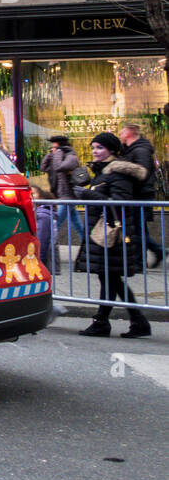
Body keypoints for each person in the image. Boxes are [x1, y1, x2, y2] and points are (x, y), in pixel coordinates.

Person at [72, 132, 152, 338]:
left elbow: (118, 200)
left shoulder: (118, 172)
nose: (95, 151)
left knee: (110, 277)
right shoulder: (104, 172)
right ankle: (133, 321)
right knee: (109, 278)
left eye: (99, 148)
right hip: (104, 232)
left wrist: (89, 194)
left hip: (113, 233)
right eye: (93, 147)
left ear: (112, 150)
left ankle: (105, 321)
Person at [117, 122, 163, 268]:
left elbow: (142, 172)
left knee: (138, 228)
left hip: (140, 195)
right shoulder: (131, 150)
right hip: (136, 195)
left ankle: (139, 262)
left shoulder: (140, 150)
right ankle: (157, 251)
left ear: (130, 132)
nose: (120, 135)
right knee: (138, 228)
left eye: (122, 132)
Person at [41, 134, 84, 238]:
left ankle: (50, 246)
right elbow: (43, 168)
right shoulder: (56, 157)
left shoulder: (71, 157)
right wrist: (49, 155)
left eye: (54, 147)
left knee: (56, 223)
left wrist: (58, 153)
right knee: (77, 224)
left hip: (67, 196)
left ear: (61, 147)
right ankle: (87, 242)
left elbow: (59, 167)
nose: (52, 150)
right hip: (61, 195)